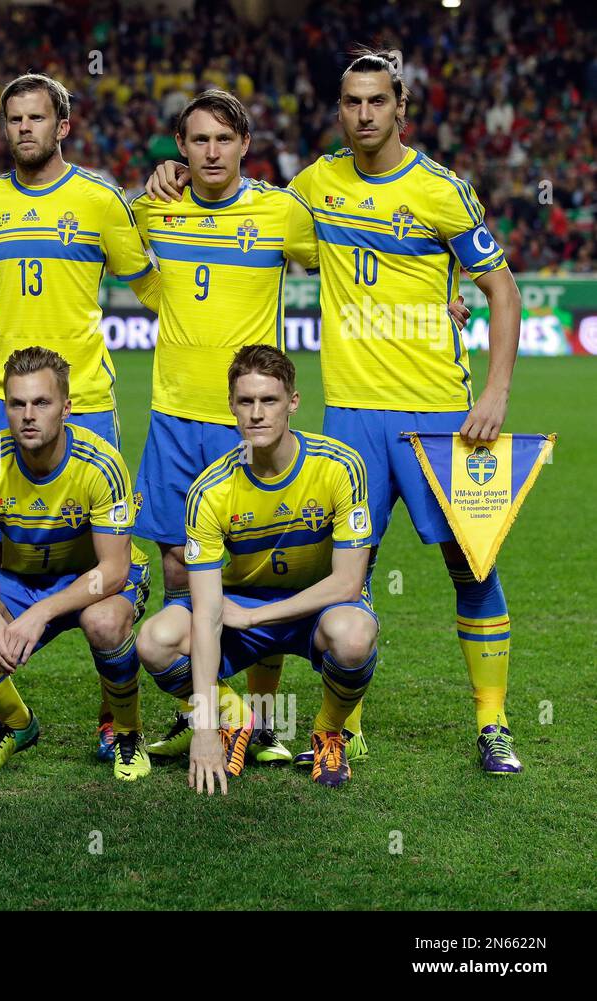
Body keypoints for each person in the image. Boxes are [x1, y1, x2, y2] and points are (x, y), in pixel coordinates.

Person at [145, 49, 519, 774]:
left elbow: (500, 289)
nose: (364, 114)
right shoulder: (312, 187)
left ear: (400, 107)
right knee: (353, 568)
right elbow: (246, 211)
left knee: (473, 565)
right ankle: (334, 727)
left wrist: (496, 392)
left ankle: (493, 722)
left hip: (441, 410)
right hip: (348, 413)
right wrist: (171, 176)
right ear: (339, 108)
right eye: (351, 102)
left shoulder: (444, 191)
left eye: (377, 101)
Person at [0, 72, 160, 761]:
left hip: (85, 397)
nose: (25, 128)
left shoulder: (98, 200)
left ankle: (110, 715)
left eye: (37, 117)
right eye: (14, 118)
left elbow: (153, 283)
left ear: (63, 125)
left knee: (103, 556)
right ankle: (6, 707)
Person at [130, 89, 319, 765]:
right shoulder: (156, 207)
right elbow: (116, 246)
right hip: (174, 416)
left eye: (223, 139)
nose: (210, 151)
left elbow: (356, 268)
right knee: (179, 561)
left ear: (245, 145)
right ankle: (203, 709)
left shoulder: (280, 212)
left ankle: (259, 718)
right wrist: (142, 189)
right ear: (180, 149)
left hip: (249, 422)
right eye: (197, 140)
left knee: (253, 568)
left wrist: (436, 290)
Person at [137, 346, 378, 791]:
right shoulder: (210, 490)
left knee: (355, 636)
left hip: (317, 606)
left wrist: (254, 617)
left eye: (269, 400)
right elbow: (208, 612)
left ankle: (329, 732)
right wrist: (205, 726)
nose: (257, 413)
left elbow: (348, 581)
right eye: (245, 401)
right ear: (231, 406)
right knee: (155, 640)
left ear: (293, 402)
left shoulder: (341, 466)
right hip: (242, 604)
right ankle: (235, 718)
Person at [0, 347, 152, 781]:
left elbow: (113, 569)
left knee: (104, 622)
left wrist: (40, 613)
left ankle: (127, 732)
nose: (28, 415)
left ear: (66, 407)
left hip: (95, 579)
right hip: (23, 579)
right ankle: (18, 724)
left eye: (41, 403)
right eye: (17, 403)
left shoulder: (101, 464)